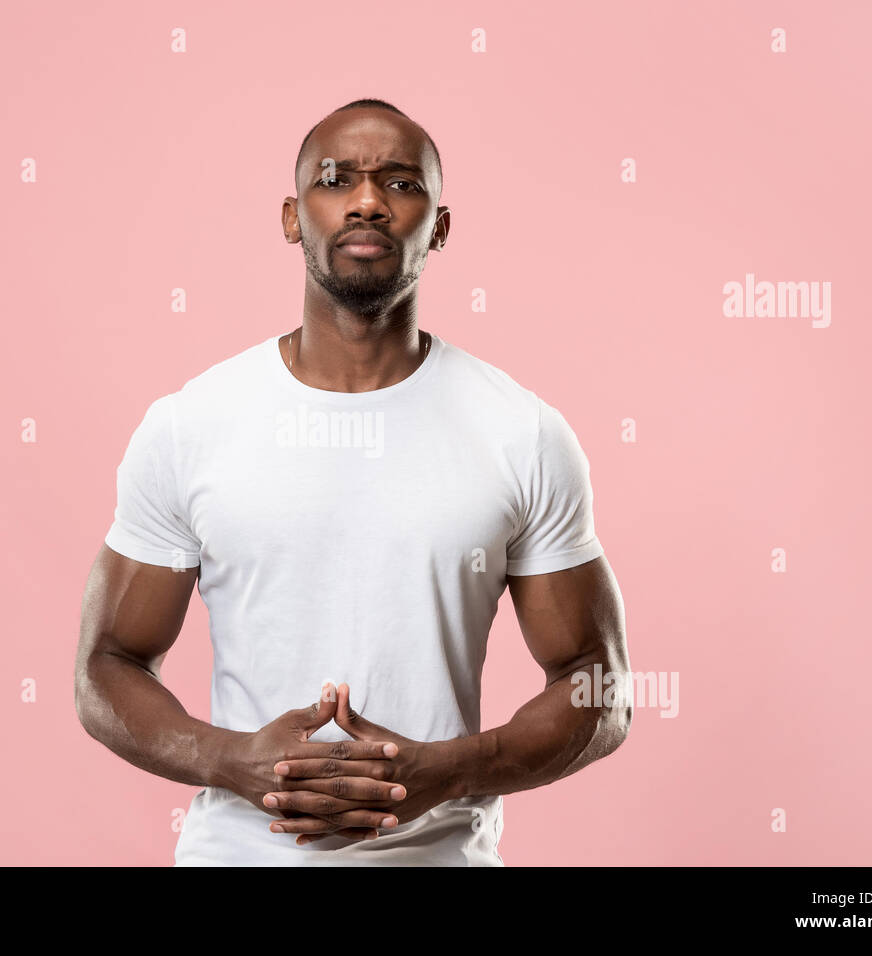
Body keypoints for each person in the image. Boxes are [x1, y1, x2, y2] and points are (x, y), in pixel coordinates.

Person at [75, 98, 631, 866]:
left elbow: (597, 681)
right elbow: (107, 664)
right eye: (336, 180)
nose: (368, 200)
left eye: (402, 184)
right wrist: (227, 759)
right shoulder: (191, 426)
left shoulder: (521, 433)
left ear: (438, 226)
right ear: (292, 216)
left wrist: (452, 769)